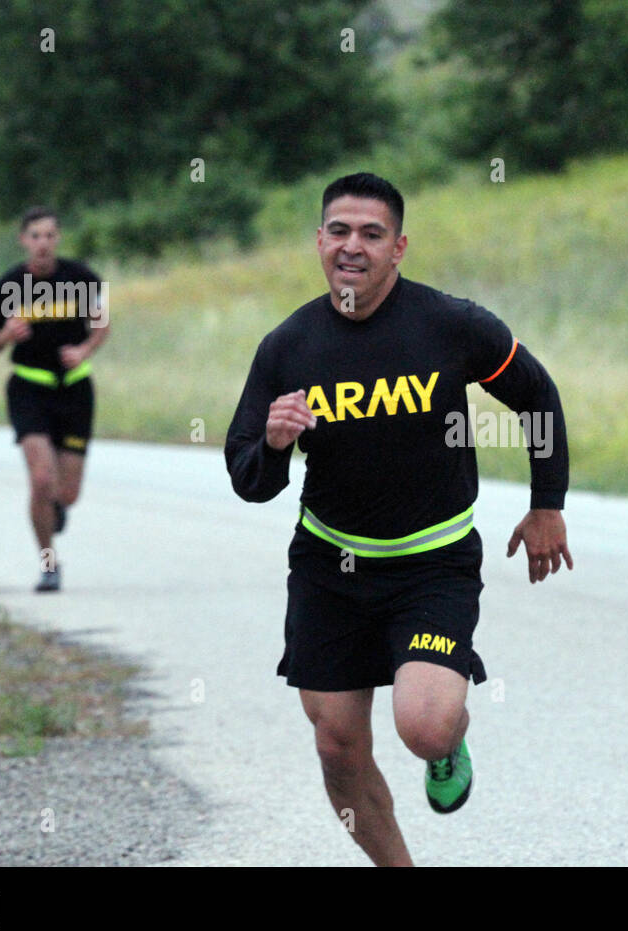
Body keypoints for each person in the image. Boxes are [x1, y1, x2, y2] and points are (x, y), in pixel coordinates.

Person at [225, 173, 572, 866]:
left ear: (399, 247)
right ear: (320, 241)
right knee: (335, 745)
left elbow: (536, 394)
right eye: (340, 231)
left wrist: (546, 505)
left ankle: (448, 743)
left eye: (371, 234)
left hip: (432, 561)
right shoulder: (287, 347)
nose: (353, 246)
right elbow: (248, 480)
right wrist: (273, 443)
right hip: (330, 566)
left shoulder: (451, 326)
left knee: (425, 725)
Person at [0, 207, 109, 592]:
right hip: (29, 389)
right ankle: (49, 565)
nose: (43, 243)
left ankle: (55, 508)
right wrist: (5, 336)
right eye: (35, 236)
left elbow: (102, 323)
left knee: (66, 493)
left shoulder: (81, 278)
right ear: (24, 240)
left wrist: (85, 349)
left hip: (75, 390)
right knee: (40, 479)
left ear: (58, 239)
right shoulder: (9, 286)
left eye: (50, 235)